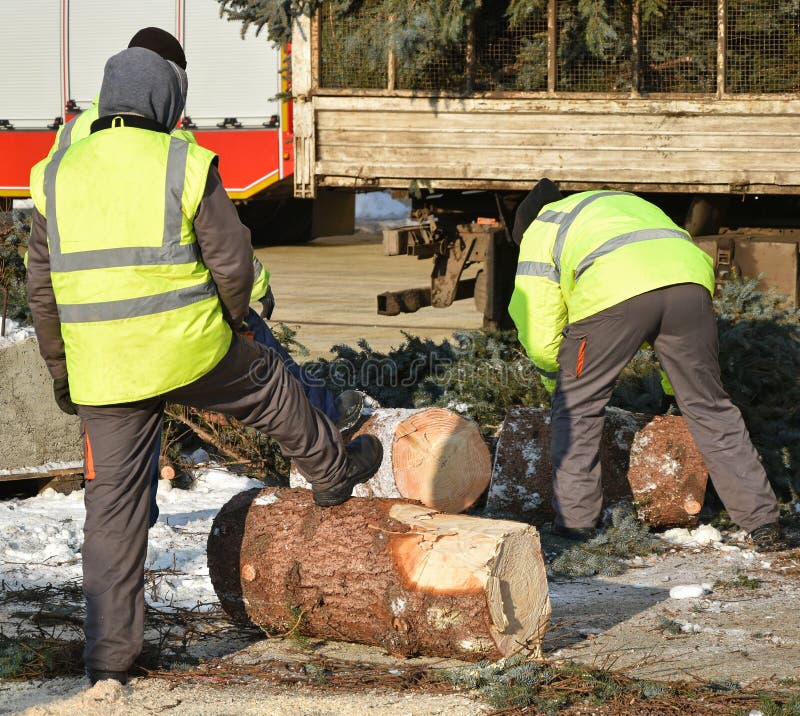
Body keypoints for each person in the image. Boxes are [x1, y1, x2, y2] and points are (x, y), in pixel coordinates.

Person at [26, 46, 383, 686]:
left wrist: (62, 371)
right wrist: (236, 319)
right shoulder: (183, 161)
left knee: (113, 508)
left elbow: (41, 291)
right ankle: (332, 472)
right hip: (190, 349)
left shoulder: (57, 173)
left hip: (105, 373)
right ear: (168, 101)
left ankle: (109, 662)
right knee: (272, 387)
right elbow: (233, 261)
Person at [508, 178, 787, 552]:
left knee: (577, 410)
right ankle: (762, 521)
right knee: (710, 406)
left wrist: (555, 383)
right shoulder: (614, 205)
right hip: (690, 282)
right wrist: (674, 391)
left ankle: (575, 526)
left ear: (523, 228)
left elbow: (540, 327)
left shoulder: (540, 230)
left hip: (614, 289)